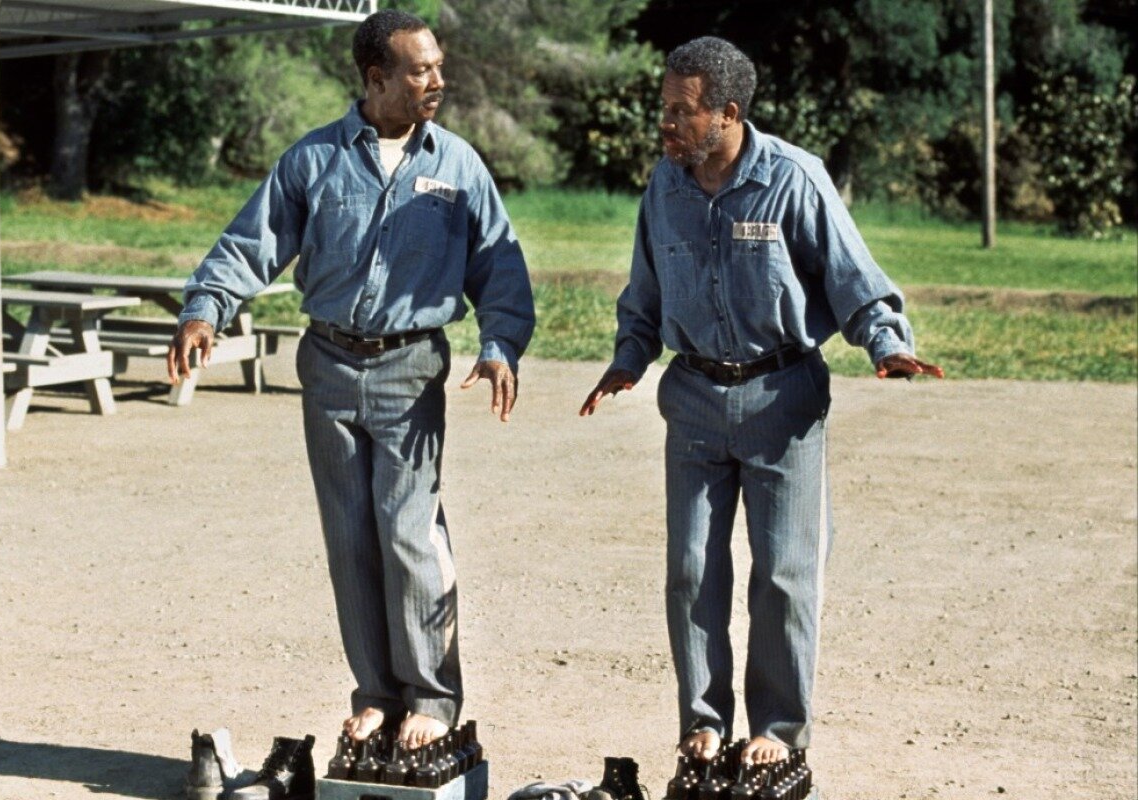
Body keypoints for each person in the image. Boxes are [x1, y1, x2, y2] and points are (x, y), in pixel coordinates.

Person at [168, 9, 535, 751]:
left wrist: (500, 344)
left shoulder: (458, 164)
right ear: (377, 78)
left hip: (410, 369)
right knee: (350, 538)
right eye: (420, 70)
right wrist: (206, 307)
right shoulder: (314, 159)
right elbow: (251, 242)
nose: (437, 80)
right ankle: (375, 693)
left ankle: (431, 698)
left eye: (438, 66)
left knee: (408, 534)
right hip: (329, 366)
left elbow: (500, 263)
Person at [579, 37, 943, 767]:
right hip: (693, 399)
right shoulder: (665, 187)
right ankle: (704, 721)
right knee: (691, 570)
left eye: (681, 111)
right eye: (663, 108)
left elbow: (854, 278)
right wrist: (627, 359)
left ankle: (776, 731)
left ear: (728, 113)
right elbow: (644, 292)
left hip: (783, 400)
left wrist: (885, 343)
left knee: (783, 574)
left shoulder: (794, 179)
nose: (665, 123)